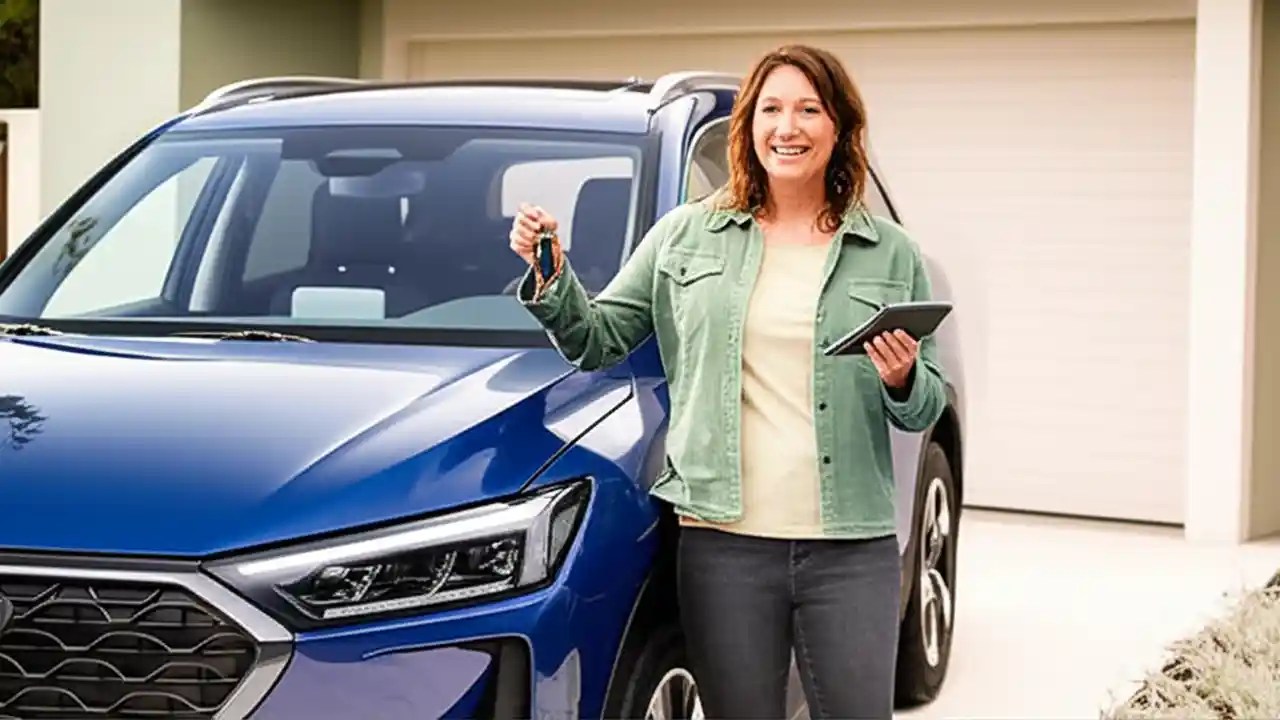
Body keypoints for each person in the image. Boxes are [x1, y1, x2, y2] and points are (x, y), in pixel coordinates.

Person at [509, 44, 947, 720]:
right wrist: (551, 277)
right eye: (771, 109)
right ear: (747, 127)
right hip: (725, 548)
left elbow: (924, 408)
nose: (788, 127)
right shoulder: (686, 236)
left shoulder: (890, 253)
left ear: (840, 128)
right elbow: (597, 340)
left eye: (809, 109)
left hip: (850, 550)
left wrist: (902, 377)